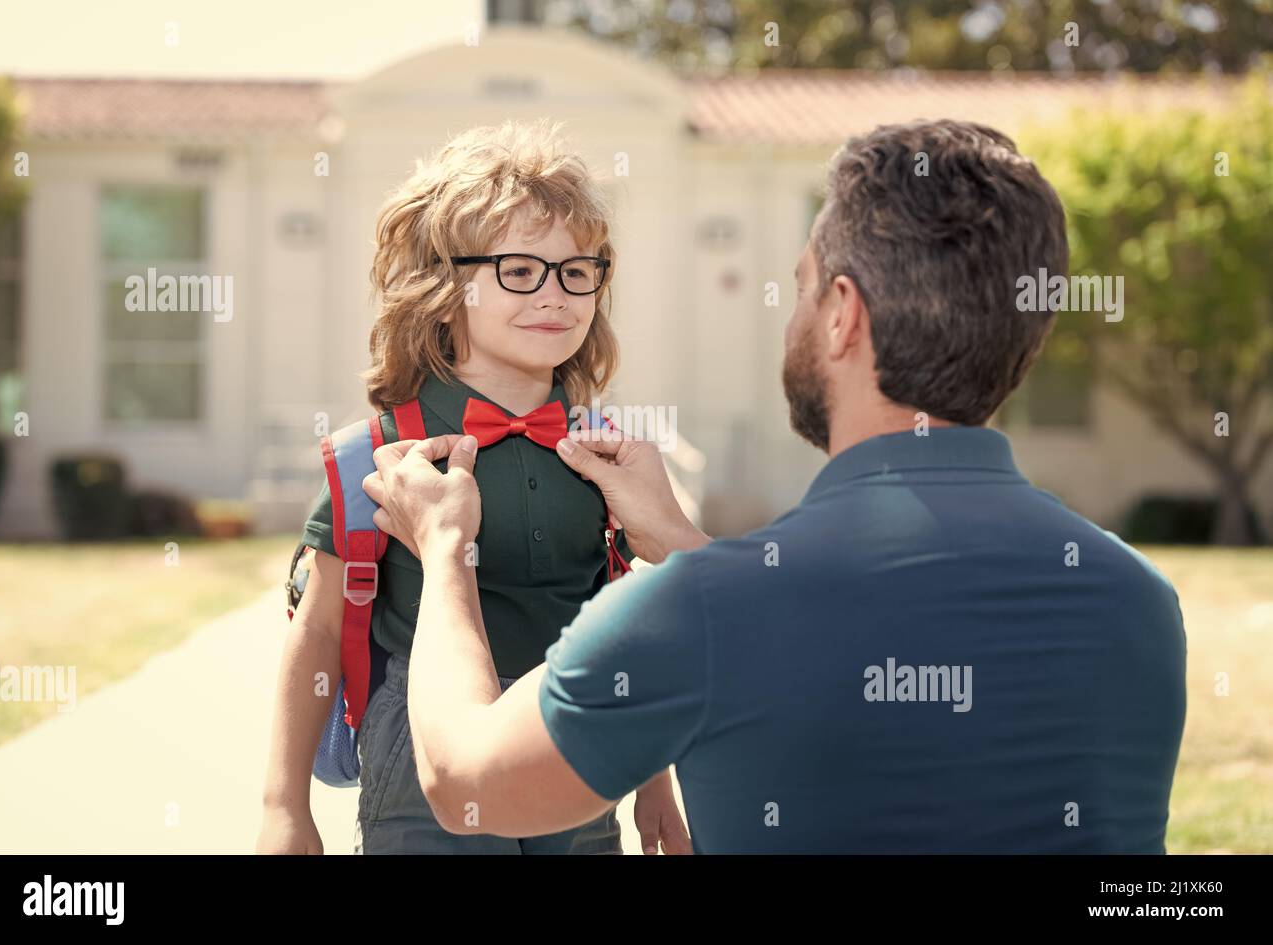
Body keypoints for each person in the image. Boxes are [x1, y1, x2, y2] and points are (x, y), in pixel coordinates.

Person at [365, 119, 1188, 854]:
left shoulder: (697, 612)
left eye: (800, 286)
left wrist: (444, 546)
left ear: (842, 314)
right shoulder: (1137, 598)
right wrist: (681, 543)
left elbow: (468, 784)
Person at [257, 120, 690, 855]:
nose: (555, 295)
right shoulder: (380, 455)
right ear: (442, 285)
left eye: (577, 271)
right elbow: (319, 631)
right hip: (422, 749)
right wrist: (283, 807)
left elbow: (623, 628)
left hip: (574, 737)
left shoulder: (608, 456)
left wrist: (655, 783)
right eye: (519, 270)